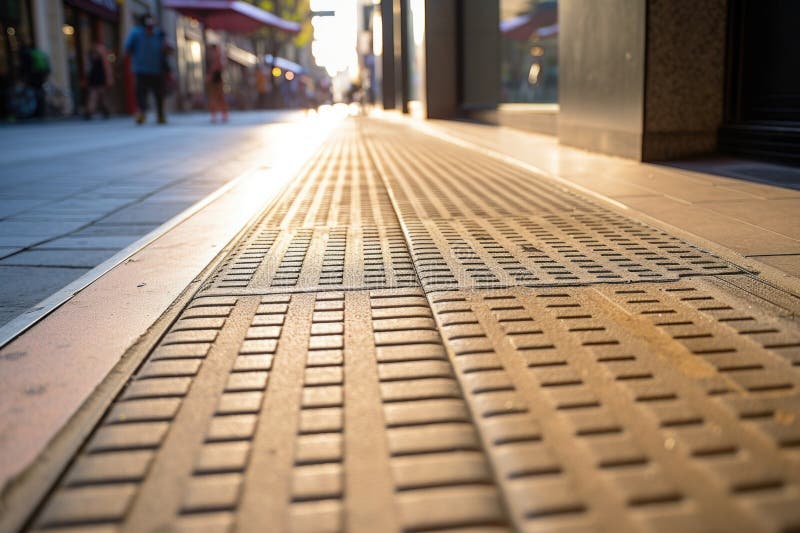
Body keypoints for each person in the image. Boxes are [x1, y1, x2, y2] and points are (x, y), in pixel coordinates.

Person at [124, 15, 167, 124]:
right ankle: (141, 113)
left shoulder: (158, 33)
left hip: (157, 69)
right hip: (141, 69)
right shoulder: (136, 33)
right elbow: (127, 48)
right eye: (148, 27)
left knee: (159, 93)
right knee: (141, 93)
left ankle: (160, 115)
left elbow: (165, 48)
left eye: (152, 26)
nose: (150, 29)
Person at [19, 41, 50, 118]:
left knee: (32, 94)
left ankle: (35, 112)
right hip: (40, 76)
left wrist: (24, 78)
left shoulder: (26, 55)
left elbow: (25, 68)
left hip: (33, 78)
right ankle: (41, 111)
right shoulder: (38, 53)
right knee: (39, 93)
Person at [84, 43, 113, 120]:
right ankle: (91, 111)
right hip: (96, 78)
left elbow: (87, 69)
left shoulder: (93, 56)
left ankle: (95, 110)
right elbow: (107, 67)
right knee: (95, 95)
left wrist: (109, 78)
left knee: (98, 95)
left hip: (98, 78)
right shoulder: (91, 56)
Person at [206, 43, 228, 123]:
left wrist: (210, 75)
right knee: (215, 97)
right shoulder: (214, 57)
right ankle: (216, 115)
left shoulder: (217, 57)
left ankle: (222, 115)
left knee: (218, 97)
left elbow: (218, 68)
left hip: (216, 80)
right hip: (215, 80)